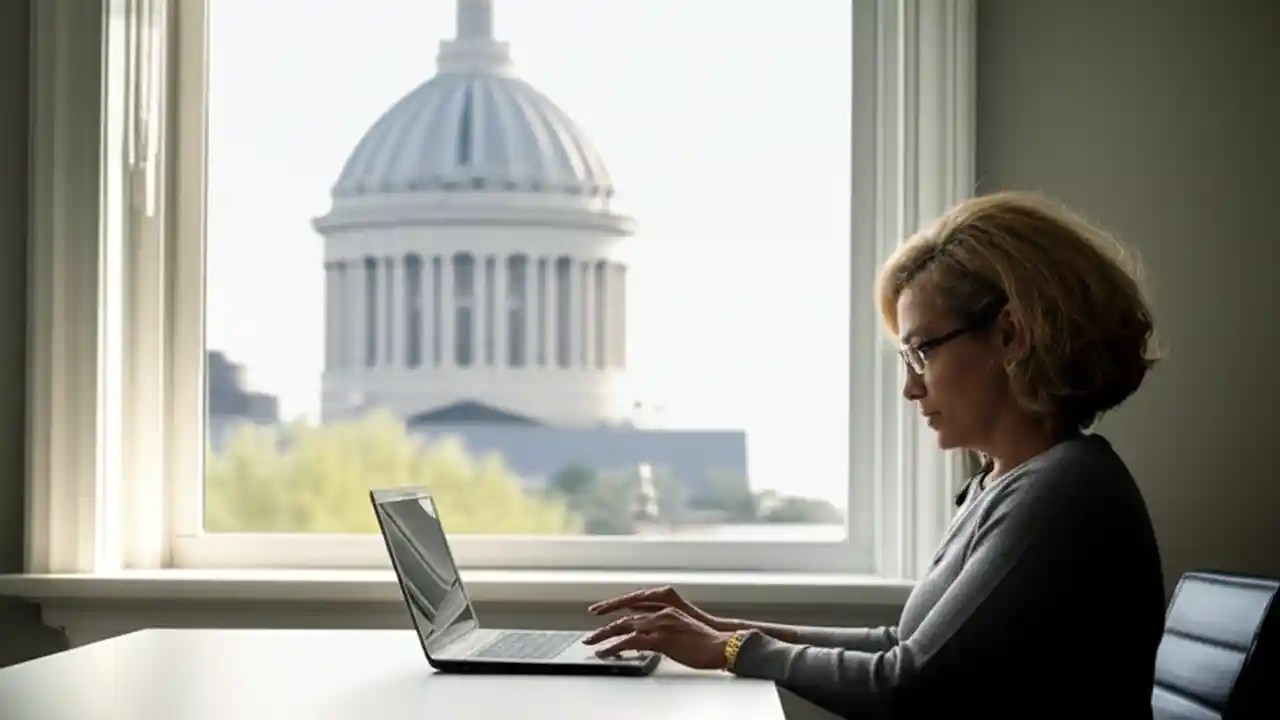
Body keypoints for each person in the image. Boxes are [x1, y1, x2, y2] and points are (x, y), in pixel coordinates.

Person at [584, 192, 1166, 718]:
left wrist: (731, 651)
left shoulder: (1060, 491)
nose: (911, 389)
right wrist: (721, 630)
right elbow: (902, 645)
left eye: (922, 354)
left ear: (1011, 336)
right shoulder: (1010, 482)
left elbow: (906, 685)